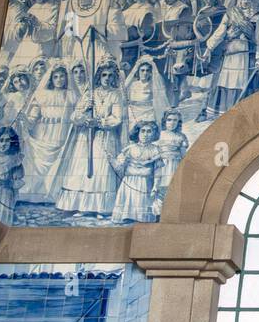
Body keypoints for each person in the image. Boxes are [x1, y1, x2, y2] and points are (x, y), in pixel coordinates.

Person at [55, 62, 124, 216]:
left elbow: (117, 118)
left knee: (101, 169)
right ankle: (82, 206)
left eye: (110, 75)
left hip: (104, 136)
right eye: (104, 75)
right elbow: (74, 116)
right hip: (85, 137)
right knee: (82, 169)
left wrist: (99, 122)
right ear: (99, 76)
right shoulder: (89, 93)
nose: (107, 78)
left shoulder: (115, 94)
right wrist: (85, 113)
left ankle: (101, 208)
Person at [16, 62, 79, 204]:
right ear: (51, 79)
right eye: (55, 77)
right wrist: (25, 119)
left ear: (66, 78)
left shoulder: (72, 95)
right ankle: (35, 194)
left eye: (62, 76)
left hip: (61, 133)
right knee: (38, 164)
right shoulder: (42, 95)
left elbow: (76, 115)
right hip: (43, 133)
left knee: (57, 165)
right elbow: (33, 118)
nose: (59, 79)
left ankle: (52, 195)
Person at [111, 120, 163, 224]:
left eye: (149, 131)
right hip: (129, 181)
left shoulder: (155, 150)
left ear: (154, 134)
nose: (145, 134)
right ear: (137, 133)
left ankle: (142, 219)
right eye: (142, 131)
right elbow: (118, 166)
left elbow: (158, 170)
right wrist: (111, 160)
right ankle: (127, 216)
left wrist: (155, 186)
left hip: (146, 182)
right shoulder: (130, 149)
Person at [155, 110, 189, 204]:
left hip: (174, 164)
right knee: (159, 188)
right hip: (160, 164)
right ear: (164, 121)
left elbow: (183, 155)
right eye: (169, 120)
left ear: (178, 122)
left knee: (172, 187)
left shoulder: (181, 136)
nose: (172, 123)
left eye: (175, 120)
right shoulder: (159, 135)